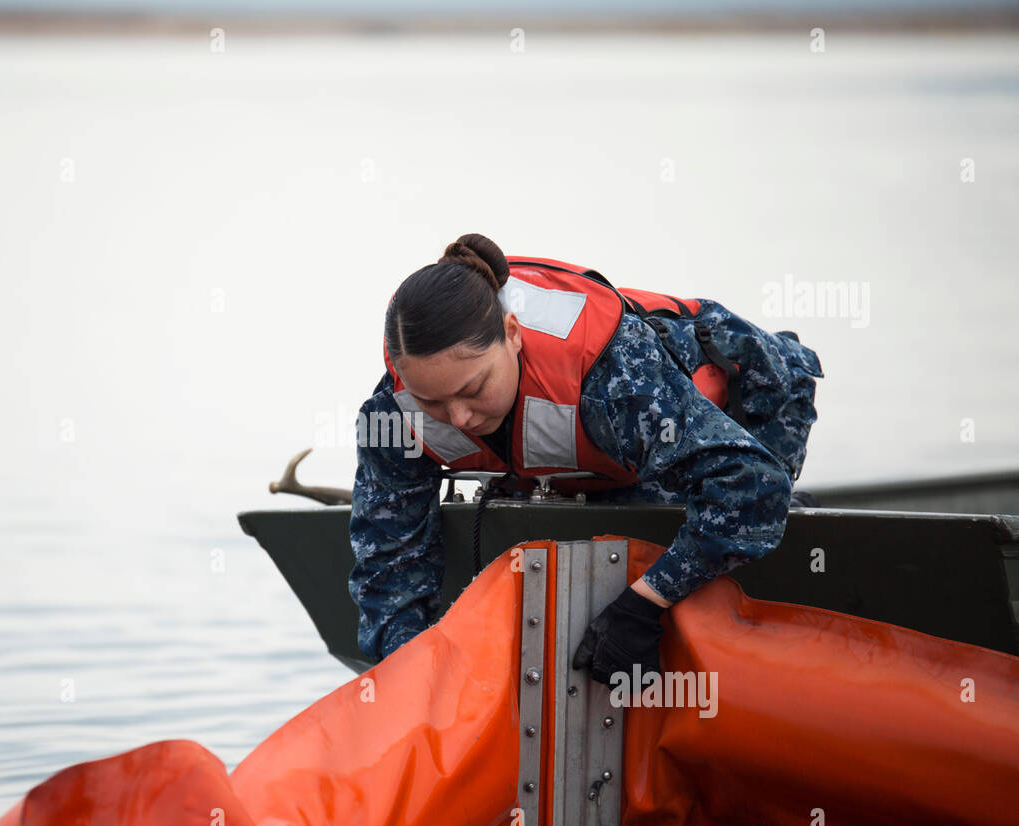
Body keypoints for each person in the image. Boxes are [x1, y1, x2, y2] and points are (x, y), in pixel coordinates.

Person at [347, 233, 824, 685]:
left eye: (472, 389)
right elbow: (390, 561)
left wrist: (643, 604)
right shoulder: (393, 415)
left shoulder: (615, 378)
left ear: (512, 334)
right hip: (588, 456)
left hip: (755, 399)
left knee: (722, 529)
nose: (458, 417)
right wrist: (406, 668)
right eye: (432, 402)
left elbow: (751, 486)